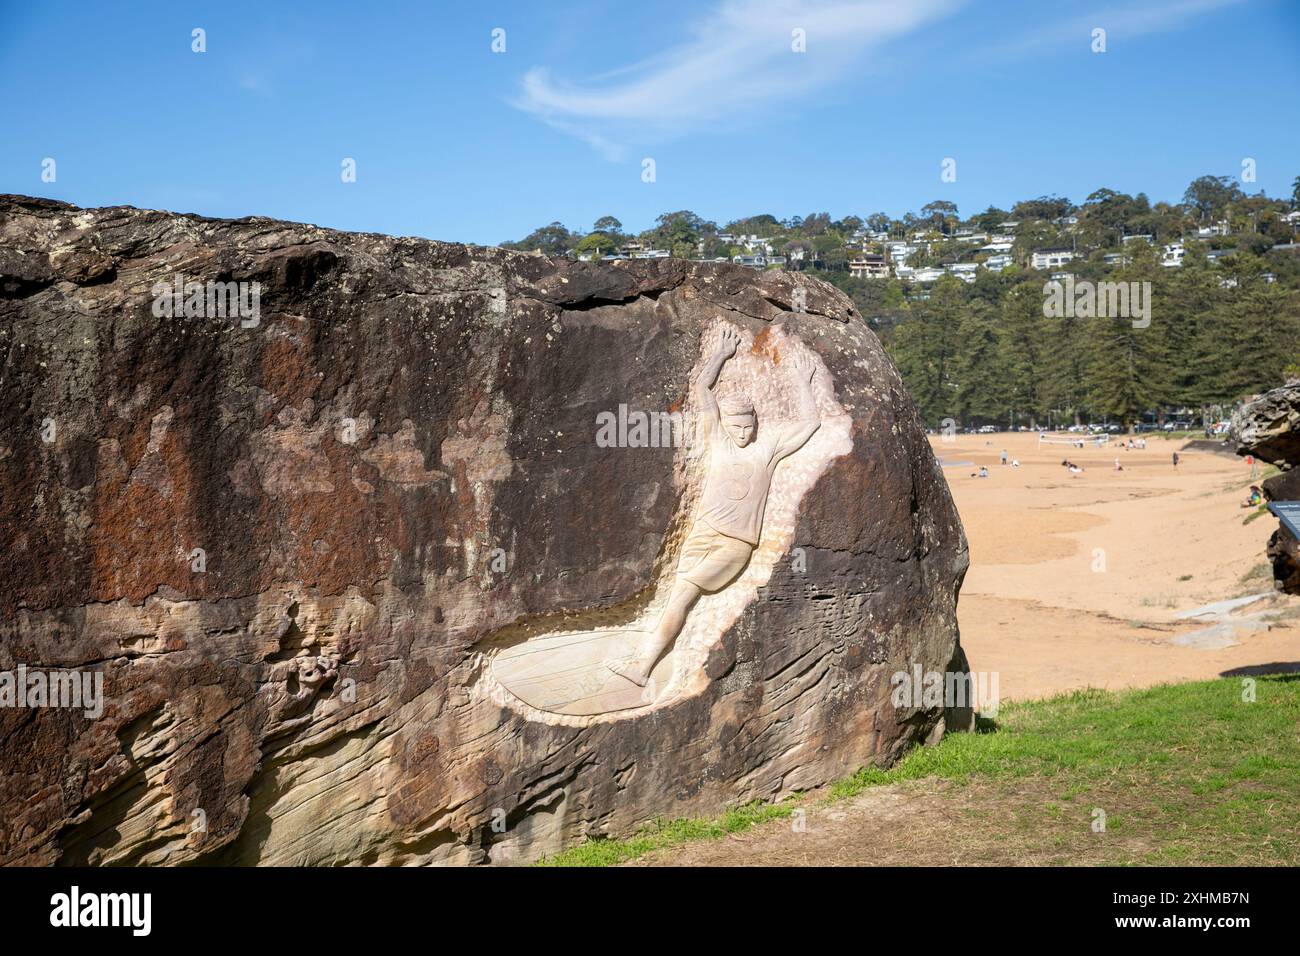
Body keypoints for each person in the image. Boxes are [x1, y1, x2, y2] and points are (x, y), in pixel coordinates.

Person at [606, 325, 822, 687]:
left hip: (733, 545)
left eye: (748, 426)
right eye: (736, 425)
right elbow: (702, 389)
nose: (743, 432)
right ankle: (645, 662)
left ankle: (642, 669)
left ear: (755, 425)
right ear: (726, 423)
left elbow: (810, 423)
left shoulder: (765, 452)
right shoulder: (717, 441)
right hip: (702, 533)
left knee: (681, 598)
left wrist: (802, 381)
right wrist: (719, 355)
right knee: (675, 598)